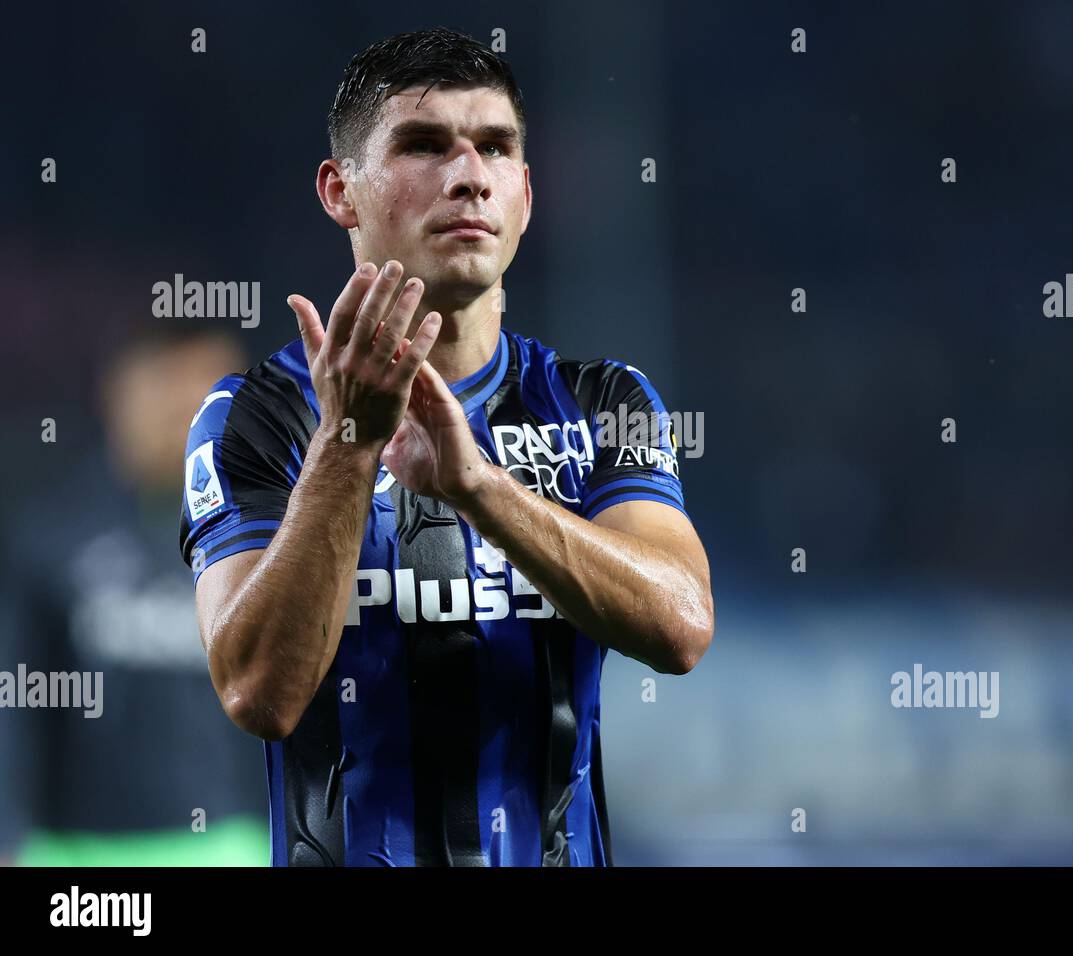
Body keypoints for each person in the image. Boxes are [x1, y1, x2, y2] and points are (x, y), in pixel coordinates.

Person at [180, 27, 713, 867]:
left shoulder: (603, 400)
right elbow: (257, 691)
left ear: (526, 196)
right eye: (424, 146)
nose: (469, 175)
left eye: (495, 148)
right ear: (340, 191)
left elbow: (681, 627)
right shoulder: (256, 414)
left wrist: (482, 493)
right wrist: (350, 444)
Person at [0, 327, 266, 866]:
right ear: (119, 393)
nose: (188, 415)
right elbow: (13, 704)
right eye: (166, 387)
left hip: (230, 847)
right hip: (74, 854)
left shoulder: (268, 539)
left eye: (211, 393)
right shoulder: (49, 535)